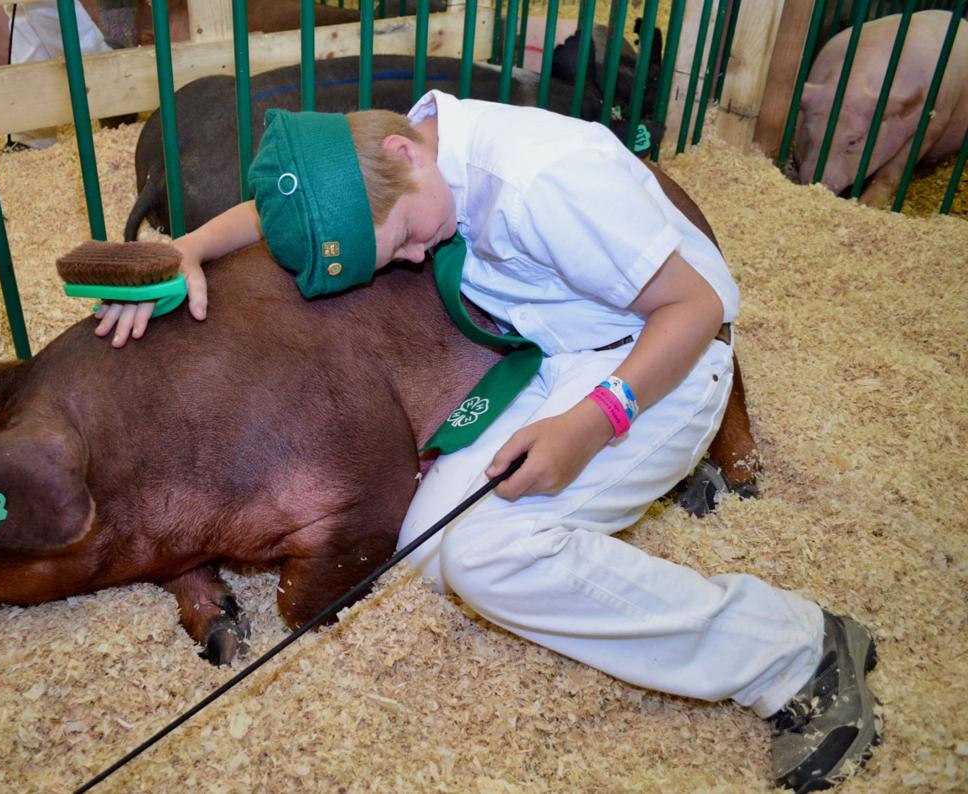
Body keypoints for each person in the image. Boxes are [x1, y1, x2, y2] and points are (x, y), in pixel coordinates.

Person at [95, 90, 881, 792]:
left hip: (658, 368)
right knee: (431, 550)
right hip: (560, 357)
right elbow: (285, 209)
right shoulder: (414, 156)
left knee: (486, 558)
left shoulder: (543, 183)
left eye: (403, 238)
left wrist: (592, 423)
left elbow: (698, 308)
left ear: (403, 153)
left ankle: (795, 652)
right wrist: (189, 247)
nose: (410, 258)